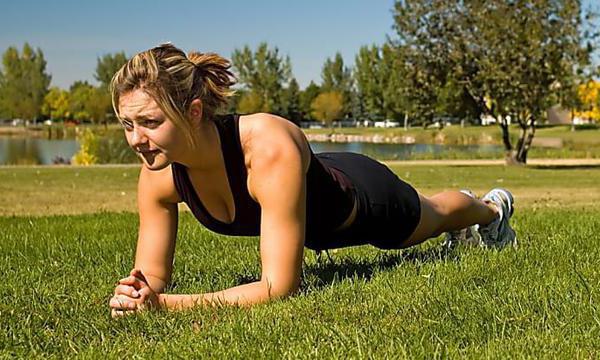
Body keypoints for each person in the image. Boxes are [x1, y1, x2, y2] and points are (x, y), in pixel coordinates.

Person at [108, 43, 516, 317]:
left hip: (361, 200)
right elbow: (152, 275)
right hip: (310, 185)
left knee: (433, 216)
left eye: (149, 122)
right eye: (127, 124)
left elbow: (279, 287)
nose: (135, 139)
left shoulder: (266, 147)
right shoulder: (160, 175)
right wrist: (137, 293)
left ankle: (491, 209)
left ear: (194, 112)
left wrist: (169, 305)